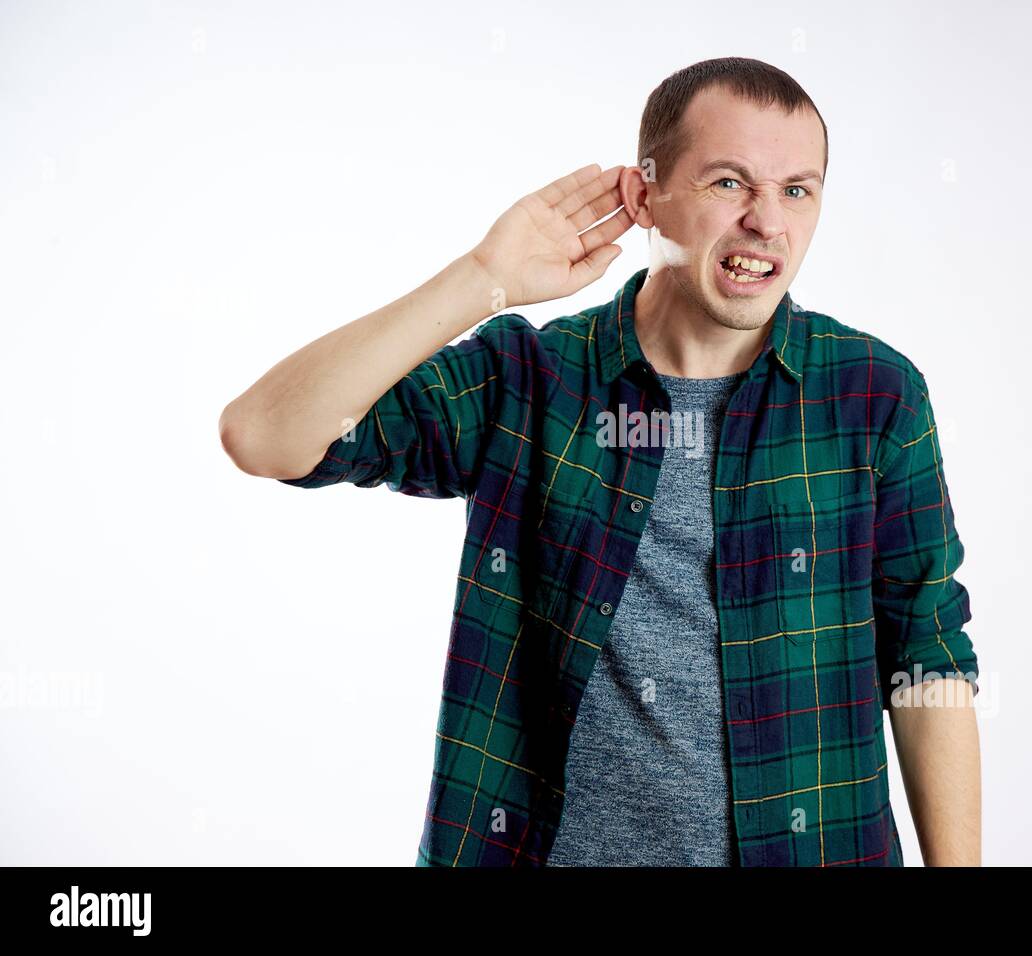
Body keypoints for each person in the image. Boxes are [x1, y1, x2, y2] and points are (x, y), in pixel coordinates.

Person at [219, 56, 981, 867]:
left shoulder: (872, 395)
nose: (768, 222)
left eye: (797, 189)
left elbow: (926, 656)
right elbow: (263, 435)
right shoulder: (530, 381)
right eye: (729, 183)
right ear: (645, 194)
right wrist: (482, 279)